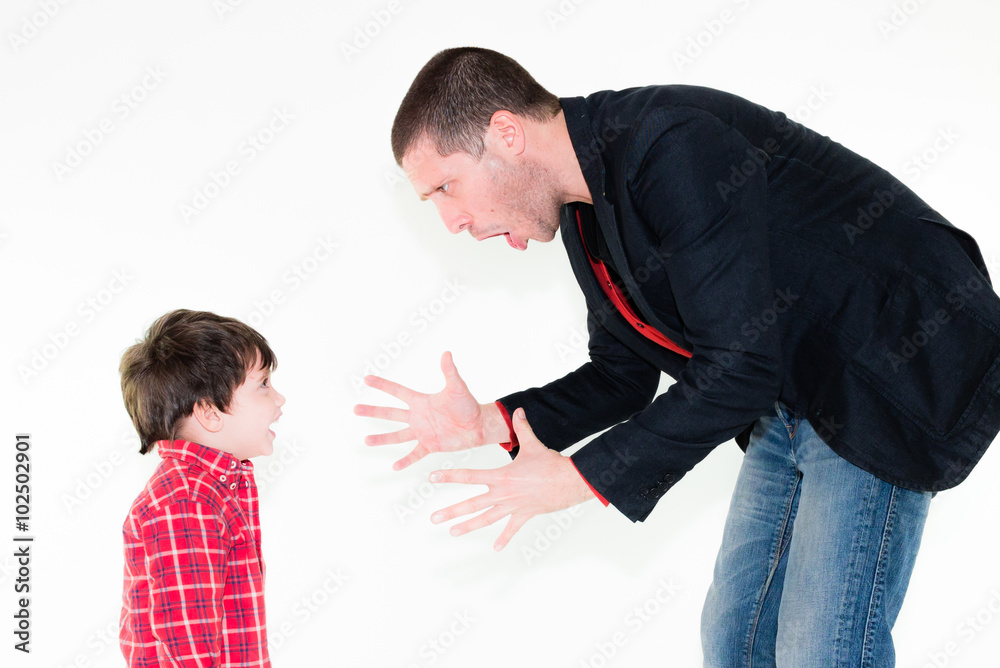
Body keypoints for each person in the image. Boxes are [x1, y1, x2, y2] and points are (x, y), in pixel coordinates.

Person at [356, 47, 1000, 665]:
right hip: (796, 390)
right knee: (736, 641)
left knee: (823, 648)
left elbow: (739, 368)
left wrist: (581, 479)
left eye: (446, 187)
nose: (451, 222)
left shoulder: (670, 145)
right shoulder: (586, 211)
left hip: (888, 364)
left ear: (506, 134)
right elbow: (622, 373)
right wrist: (492, 422)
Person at [119, 309, 285, 667]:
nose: (279, 399)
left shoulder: (212, 489)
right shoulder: (188, 500)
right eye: (263, 384)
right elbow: (188, 647)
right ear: (210, 413)